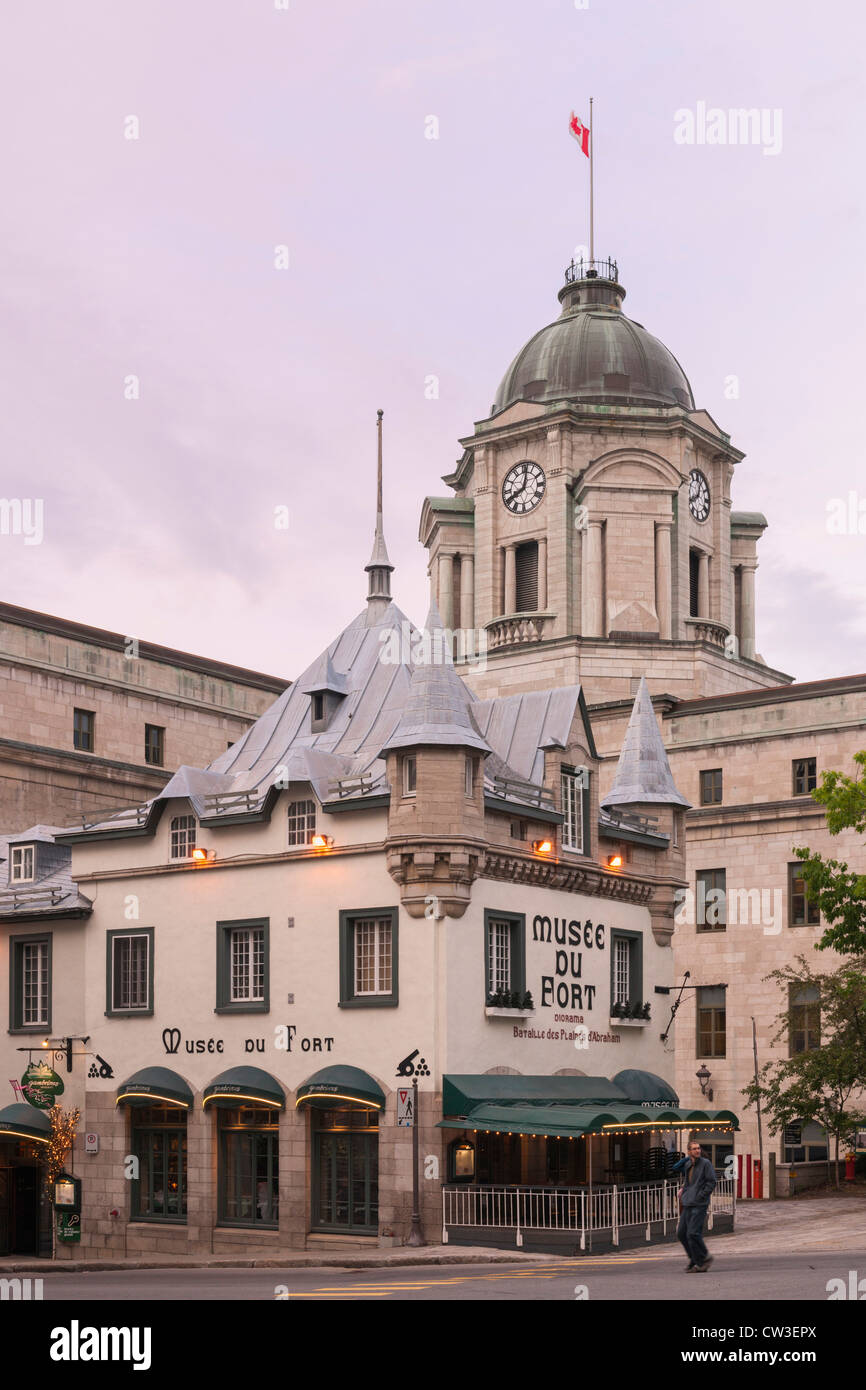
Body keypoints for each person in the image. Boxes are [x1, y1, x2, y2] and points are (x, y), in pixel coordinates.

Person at [676, 1139, 717, 1272]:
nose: (697, 1150)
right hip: (688, 1203)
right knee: (681, 1233)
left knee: (693, 1233)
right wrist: (685, 1195)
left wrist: (701, 1196)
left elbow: (711, 1182)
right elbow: (687, 1182)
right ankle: (694, 1258)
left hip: (699, 1204)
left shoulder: (706, 1164)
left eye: (698, 1148)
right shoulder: (688, 1164)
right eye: (694, 1149)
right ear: (689, 1151)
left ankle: (704, 1258)